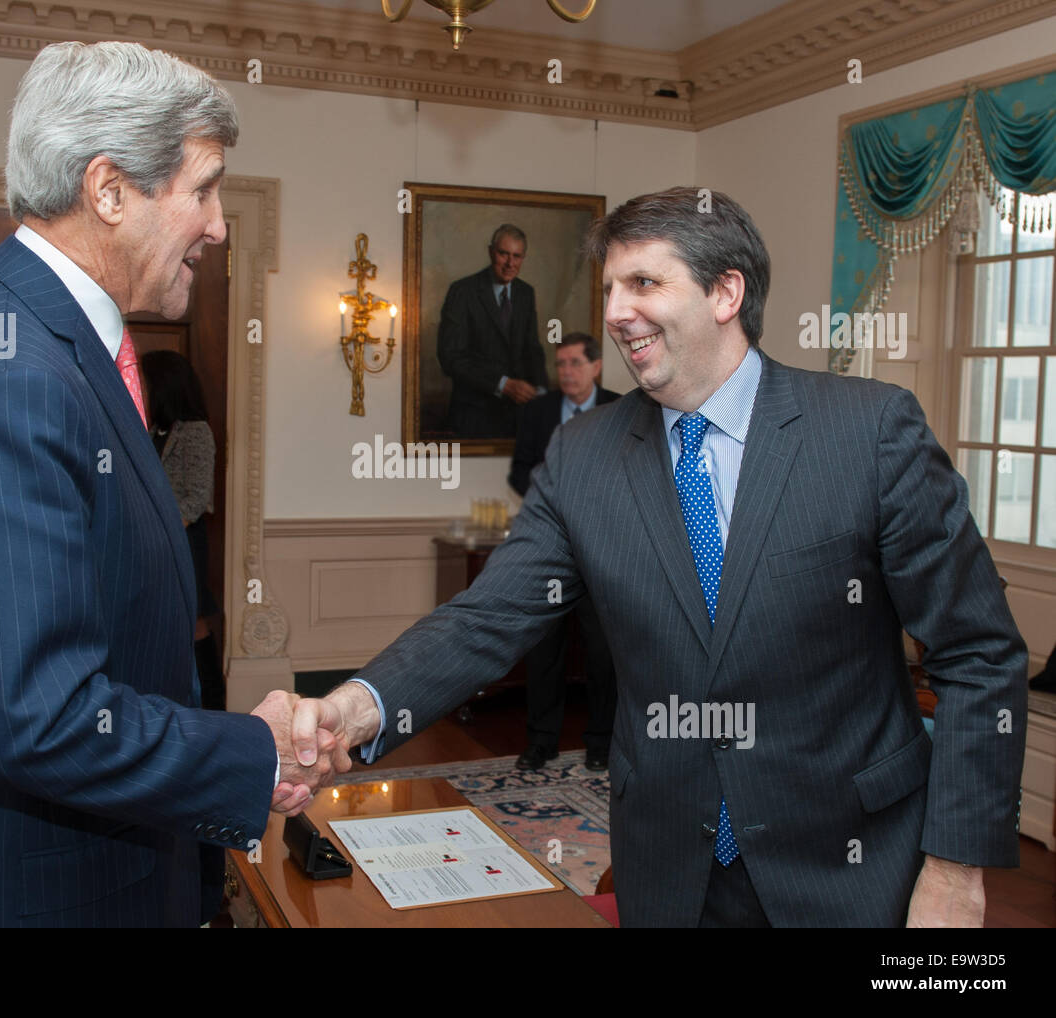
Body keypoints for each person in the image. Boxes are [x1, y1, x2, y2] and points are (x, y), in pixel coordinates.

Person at [282, 187, 1029, 928]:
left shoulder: (867, 432)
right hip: (670, 871)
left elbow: (979, 653)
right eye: (609, 287)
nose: (613, 312)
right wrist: (351, 710)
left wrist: (956, 869)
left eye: (643, 282)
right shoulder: (584, 455)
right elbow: (487, 618)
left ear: (725, 292)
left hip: (851, 866)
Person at [0, 41, 346, 928]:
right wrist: (251, 750)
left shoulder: (42, 335)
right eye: (203, 189)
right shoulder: (11, 370)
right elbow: (36, 718)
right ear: (109, 189)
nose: (218, 224)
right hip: (32, 891)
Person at [508, 333, 619, 772]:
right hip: (550, 549)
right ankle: (541, 742)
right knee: (544, 649)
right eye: (561, 364)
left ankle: (602, 743)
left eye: (575, 363)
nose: (567, 372)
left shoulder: (621, 408)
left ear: (596, 367)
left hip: (602, 549)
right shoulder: (538, 411)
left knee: (603, 653)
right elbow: (519, 471)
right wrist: (549, 497)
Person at [142, 349, 224, 711]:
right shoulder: (149, 429)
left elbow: (196, 498)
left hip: (183, 542)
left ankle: (212, 710)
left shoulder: (196, 431)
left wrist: (159, 526)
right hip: (151, 544)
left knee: (193, 624)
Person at [437, 224, 548, 438]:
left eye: (517, 256)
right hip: (472, 415)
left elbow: (532, 348)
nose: (510, 263)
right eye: (503, 254)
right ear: (491, 252)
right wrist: (502, 384)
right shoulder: (462, 292)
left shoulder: (525, 293)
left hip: (517, 416)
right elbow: (450, 357)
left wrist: (541, 392)